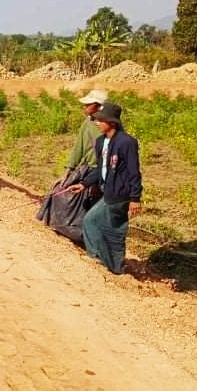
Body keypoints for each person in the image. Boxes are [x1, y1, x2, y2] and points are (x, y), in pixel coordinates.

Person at [67, 102, 143, 274]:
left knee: (94, 222)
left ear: (112, 122)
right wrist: (84, 184)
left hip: (120, 194)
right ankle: (112, 266)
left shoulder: (127, 143)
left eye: (101, 120)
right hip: (108, 191)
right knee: (112, 228)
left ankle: (99, 261)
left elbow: (134, 172)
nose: (97, 123)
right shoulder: (101, 142)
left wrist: (135, 198)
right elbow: (101, 169)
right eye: (96, 119)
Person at [36, 89, 107, 242]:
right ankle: (69, 230)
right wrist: (68, 171)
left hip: (101, 173)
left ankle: (89, 239)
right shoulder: (87, 124)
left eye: (88, 104)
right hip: (88, 169)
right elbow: (78, 149)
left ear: (98, 106)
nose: (84, 107)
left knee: (92, 206)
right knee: (60, 192)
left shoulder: (109, 128)